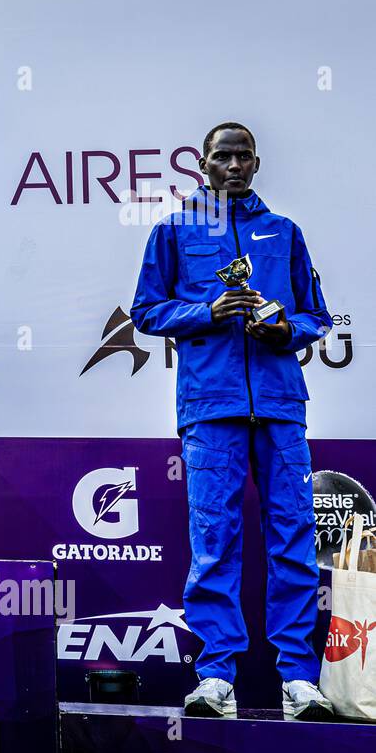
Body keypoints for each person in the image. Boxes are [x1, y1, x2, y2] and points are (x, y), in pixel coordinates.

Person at [131, 122, 333, 720]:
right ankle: (216, 675)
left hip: (279, 406)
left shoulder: (284, 232)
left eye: (245, 155)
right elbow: (146, 310)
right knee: (214, 542)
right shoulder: (173, 228)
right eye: (224, 156)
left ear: (257, 162)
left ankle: (299, 679)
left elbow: (315, 316)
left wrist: (284, 330)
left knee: (293, 540)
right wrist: (208, 310)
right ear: (203, 162)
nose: (235, 165)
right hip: (210, 406)